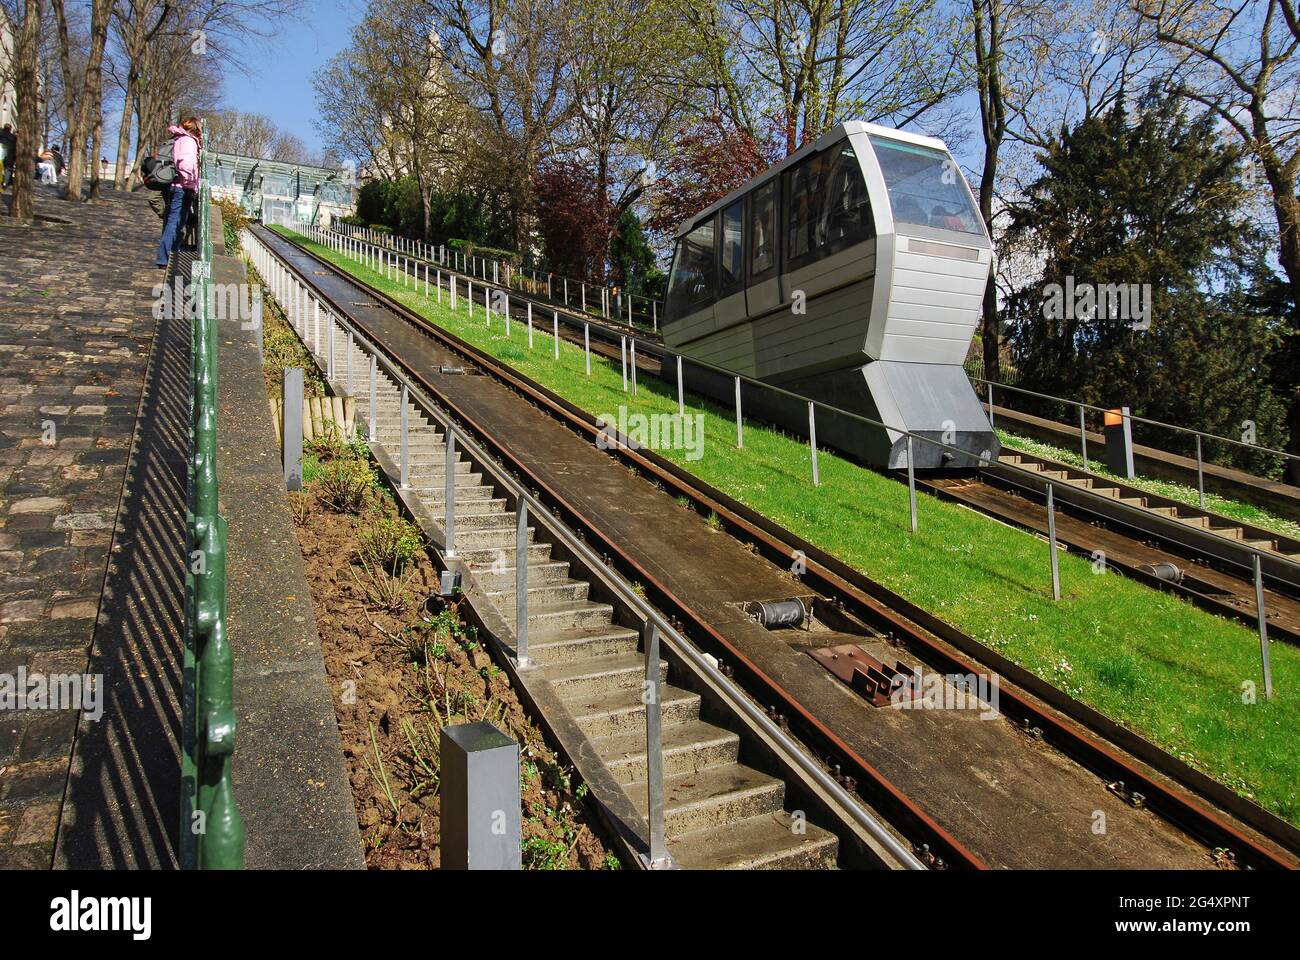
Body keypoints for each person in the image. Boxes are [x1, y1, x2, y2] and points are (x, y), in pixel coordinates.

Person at [155, 117, 202, 269]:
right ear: (195, 129)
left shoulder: (178, 139)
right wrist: (190, 183)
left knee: (174, 221)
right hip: (183, 186)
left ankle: (170, 254)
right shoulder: (189, 141)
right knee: (176, 222)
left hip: (175, 184)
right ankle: (165, 257)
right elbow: (187, 163)